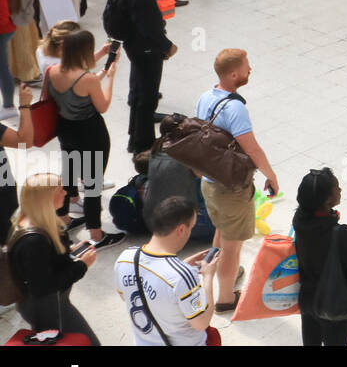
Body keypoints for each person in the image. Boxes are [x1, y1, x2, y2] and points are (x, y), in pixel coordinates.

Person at [195, 48, 278, 313]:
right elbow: (252, 149)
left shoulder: (205, 97)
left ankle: (215, 270)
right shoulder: (235, 108)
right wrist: (271, 175)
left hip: (209, 182)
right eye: (246, 67)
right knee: (233, 246)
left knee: (221, 229)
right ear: (233, 74)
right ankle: (225, 298)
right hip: (230, 188)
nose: (250, 69)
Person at [46, 26, 124, 249]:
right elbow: (104, 105)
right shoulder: (87, 79)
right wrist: (109, 78)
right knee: (92, 183)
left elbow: (79, 80)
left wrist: (101, 56)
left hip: (65, 129)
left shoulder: (52, 70)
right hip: (90, 132)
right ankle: (96, 234)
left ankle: (63, 218)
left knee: (69, 171)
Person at [6, 172, 100, 344]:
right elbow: (44, 286)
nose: (65, 192)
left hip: (52, 304)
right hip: (48, 307)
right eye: (60, 190)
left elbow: (44, 262)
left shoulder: (31, 223)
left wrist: (69, 250)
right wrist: (82, 266)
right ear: (46, 198)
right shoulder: (34, 242)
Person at [114, 195, 220, 346]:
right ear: (181, 229)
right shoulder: (181, 276)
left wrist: (180, 266)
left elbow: (127, 295)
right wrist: (208, 277)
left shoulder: (125, 258)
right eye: (191, 227)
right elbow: (201, 323)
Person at [293, 167, 347, 346]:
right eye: (337, 187)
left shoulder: (299, 221)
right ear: (327, 199)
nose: (340, 190)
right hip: (335, 304)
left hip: (308, 301)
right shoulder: (341, 234)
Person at [114, 0, 178, 155]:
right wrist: (167, 46)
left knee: (140, 92)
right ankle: (143, 144)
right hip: (146, 51)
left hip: (136, 48)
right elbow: (149, 28)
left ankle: (135, 134)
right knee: (147, 97)